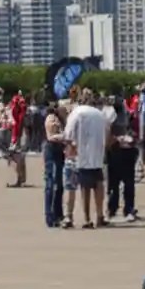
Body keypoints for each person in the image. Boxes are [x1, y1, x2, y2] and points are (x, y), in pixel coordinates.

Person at [64, 91, 108, 227]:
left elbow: (69, 133)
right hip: (97, 155)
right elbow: (106, 132)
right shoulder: (100, 114)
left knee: (84, 188)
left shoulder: (77, 112)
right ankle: (100, 215)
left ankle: (86, 218)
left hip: (80, 155)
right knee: (98, 185)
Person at [42, 101, 67, 228]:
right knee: (51, 183)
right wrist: (65, 136)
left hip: (59, 150)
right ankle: (50, 216)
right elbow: (51, 136)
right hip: (52, 149)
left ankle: (58, 213)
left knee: (60, 184)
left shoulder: (61, 119)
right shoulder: (51, 118)